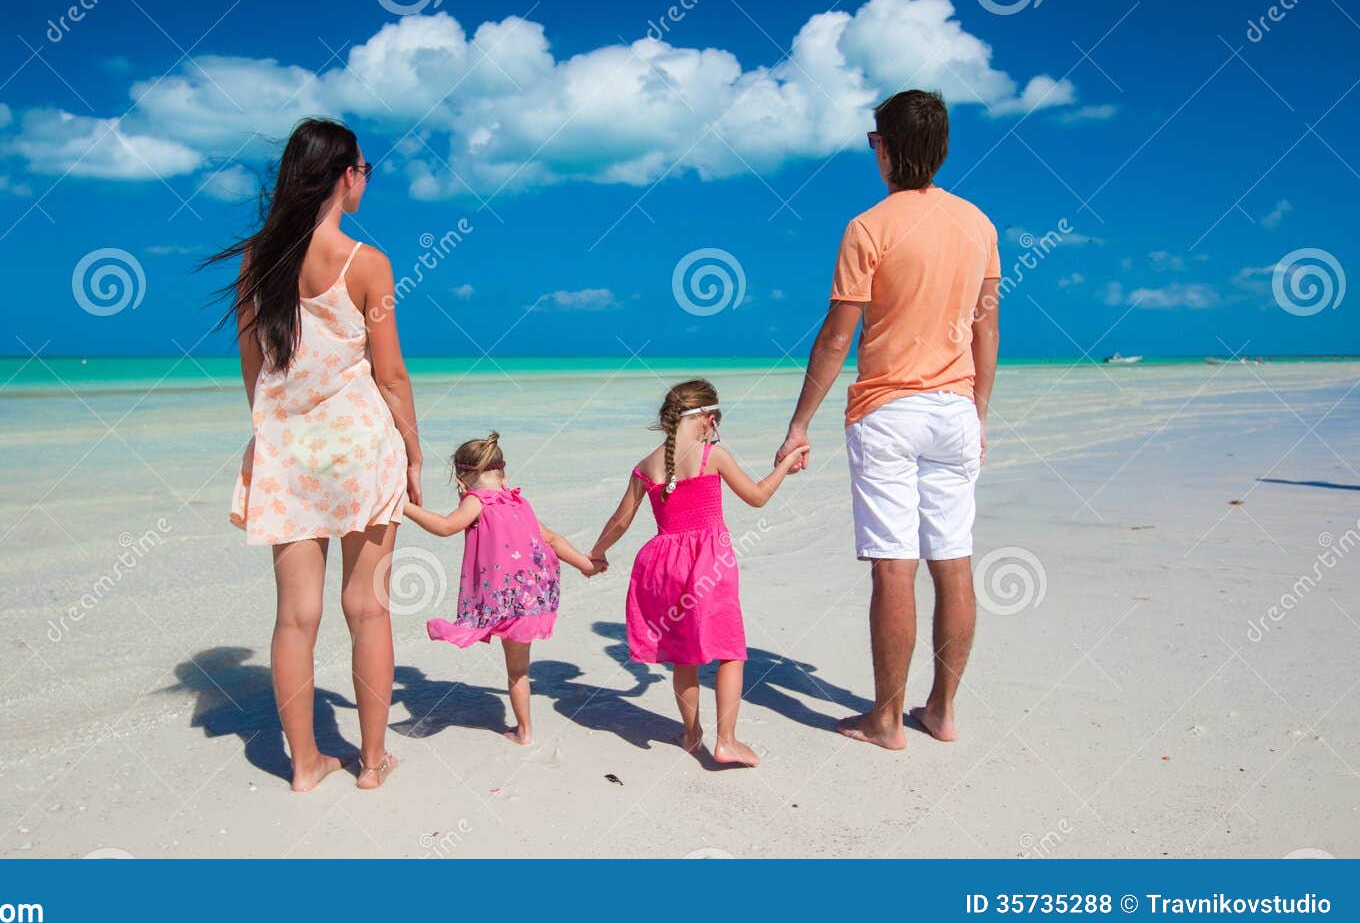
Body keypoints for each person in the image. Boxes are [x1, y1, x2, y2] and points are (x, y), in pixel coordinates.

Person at [775, 89, 1001, 751]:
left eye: (873, 141)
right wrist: (978, 410)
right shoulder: (979, 226)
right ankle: (943, 711)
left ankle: (886, 719)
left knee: (894, 567)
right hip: (956, 410)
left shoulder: (868, 228)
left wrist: (799, 424)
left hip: (887, 411)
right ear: (941, 149)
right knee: (953, 562)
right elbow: (986, 330)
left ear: (884, 148)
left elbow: (835, 338)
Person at [212, 118, 423, 790]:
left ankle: (304, 766)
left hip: (288, 455)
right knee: (369, 608)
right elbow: (390, 375)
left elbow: (254, 372)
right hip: (361, 449)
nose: (365, 179)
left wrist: (278, 430)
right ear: (341, 176)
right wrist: (414, 450)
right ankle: (370, 762)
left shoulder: (256, 261)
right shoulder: (367, 263)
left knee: (294, 618)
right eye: (362, 168)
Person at [589, 379, 808, 766]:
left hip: (661, 564)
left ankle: (692, 735)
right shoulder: (713, 456)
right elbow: (757, 498)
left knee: (684, 655)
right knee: (729, 652)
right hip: (709, 562)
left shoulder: (645, 466)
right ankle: (727, 740)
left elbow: (620, 521)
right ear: (708, 419)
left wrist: (597, 553)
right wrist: (787, 465)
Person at [402, 432, 600, 745]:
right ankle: (525, 730)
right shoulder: (519, 501)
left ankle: (524, 732)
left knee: (514, 669)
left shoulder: (476, 501)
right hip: (533, 598)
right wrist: (585, 565)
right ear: (503, 474)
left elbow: (444, 527)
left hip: (503, 602)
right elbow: (553, 540)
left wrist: (401, 506)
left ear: (462, 477)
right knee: (520, 669)